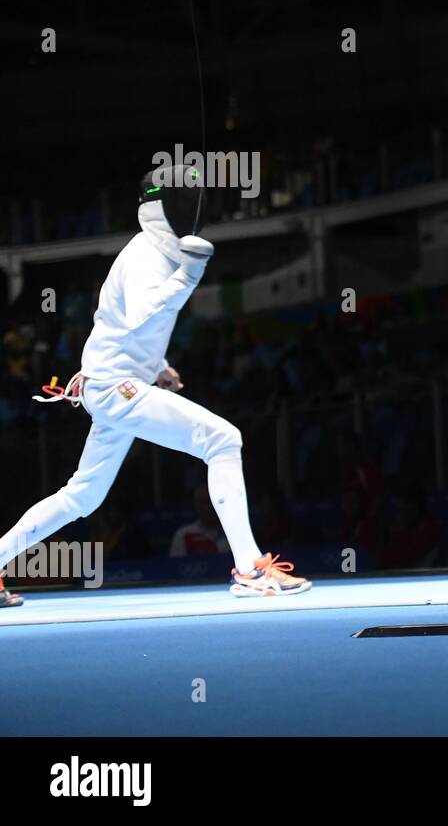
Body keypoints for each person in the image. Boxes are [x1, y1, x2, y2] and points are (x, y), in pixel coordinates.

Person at [0, 165, 309, 607]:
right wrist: (188, 276)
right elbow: (145, 312)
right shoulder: (148, 255)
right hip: (115, 388)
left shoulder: (152, 251)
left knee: (81, 496)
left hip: (111, 383)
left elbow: (127, 323)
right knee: (223, 440)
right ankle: (249, 568)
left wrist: (159, 365)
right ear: (169, 206)